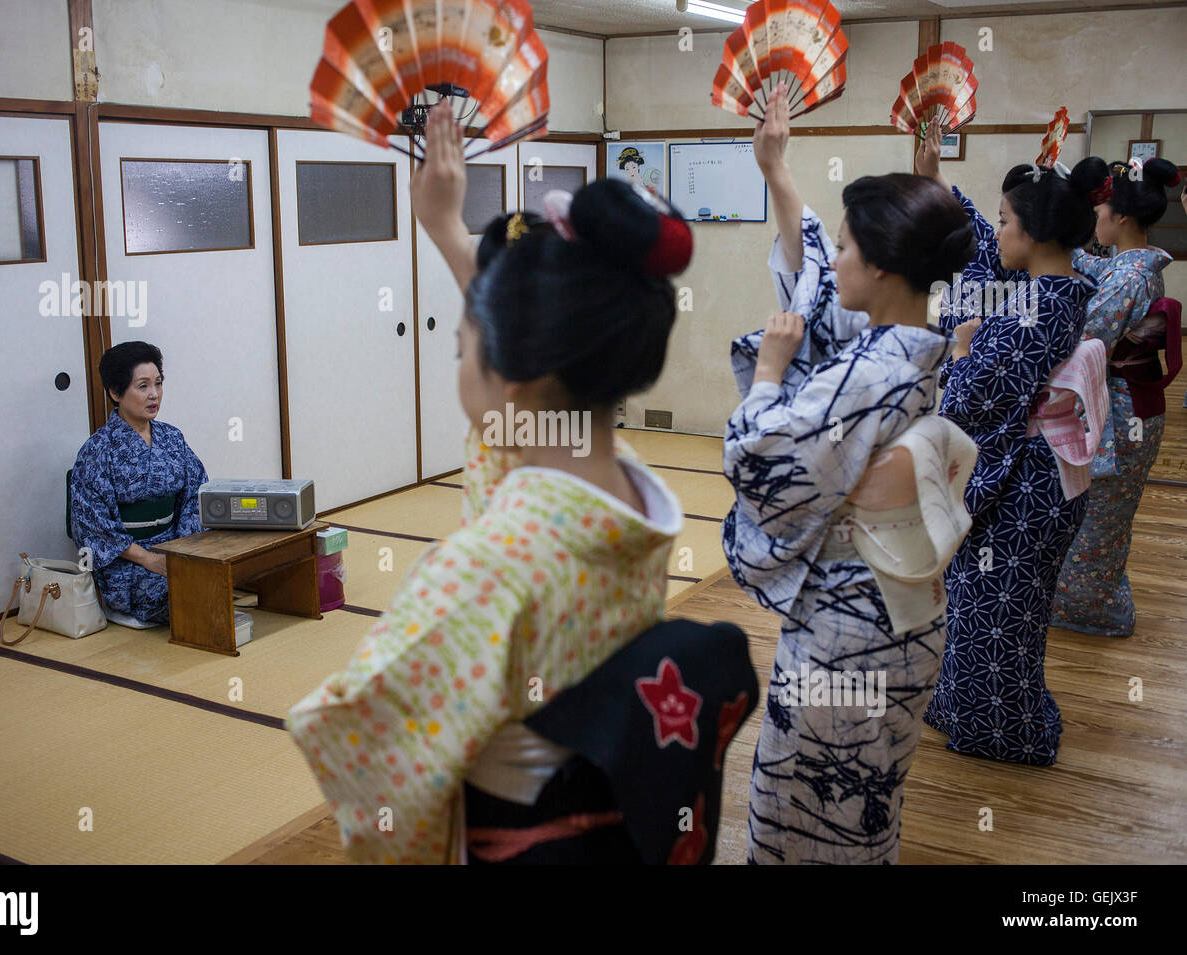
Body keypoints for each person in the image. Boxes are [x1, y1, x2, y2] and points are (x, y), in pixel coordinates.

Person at [288, 103, 753, 865]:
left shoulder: (490, 562)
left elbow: (368, 742)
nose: (460, 362)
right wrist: (444, 228)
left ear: (512, 377)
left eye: (464, 347)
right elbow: (538, 383)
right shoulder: (625, 489)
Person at [725, 85, 978, 864]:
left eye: (843, 248)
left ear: (882, 265)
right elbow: (820, 296)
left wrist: (768, 375)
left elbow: (765, 458)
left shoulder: (871, 371)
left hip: (850, 628)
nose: (832, 262)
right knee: (865, 809)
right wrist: (779, 172)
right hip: (902, 618)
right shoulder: (908, 340)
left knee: (809, 815)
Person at [917, 124, 1105, 765]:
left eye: (1004, 221)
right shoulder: (1049, 286)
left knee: (1000, 619)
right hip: (1030, 477)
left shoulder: (1040, 304)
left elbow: (973, 393)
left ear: (1034, 234)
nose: (996, 231)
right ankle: (966, 710)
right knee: (982, 607)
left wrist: (964, 346)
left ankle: (1009, 733)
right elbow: (978, 249)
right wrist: (939, 178)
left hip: (1029, 484)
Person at [1052, 156, 1181, 636]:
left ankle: (1092, 611)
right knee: (1104, 518)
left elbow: (1084, 336)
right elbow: (1087, 261)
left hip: (1125, 409)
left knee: (1098, 522)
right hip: (1135, 405)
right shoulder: (1131, 264)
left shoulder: (1127, 278)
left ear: (1121, 218)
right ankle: (1097, 598)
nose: (1096, 220)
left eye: (1101, 212)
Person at [69, 341, 208, 624]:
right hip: (127, 562)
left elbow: (196, 494)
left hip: (175, 548)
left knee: (222, 575)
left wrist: (183, 550)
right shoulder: (97, 450)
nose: (154, 394)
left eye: (158, 383)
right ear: (115, 392)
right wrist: (149, 560)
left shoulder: (172, 438)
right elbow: (93, 527)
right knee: (187, 593)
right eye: (142, 386)